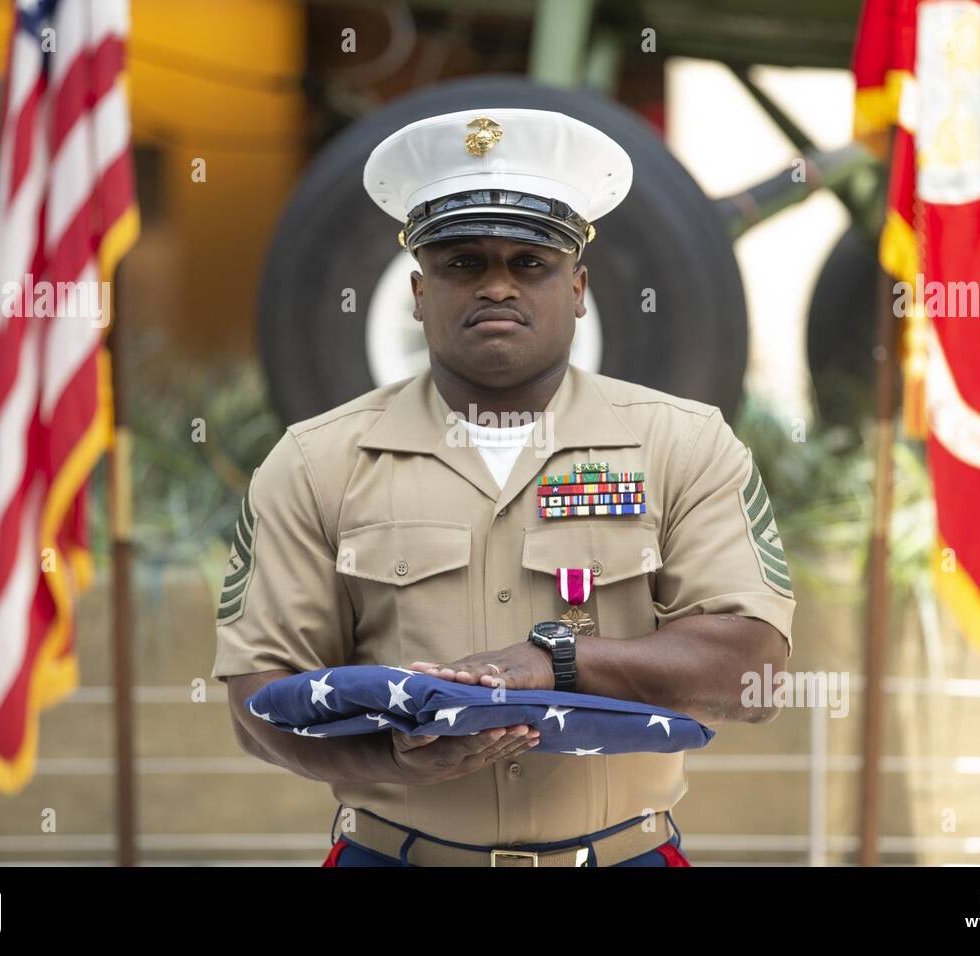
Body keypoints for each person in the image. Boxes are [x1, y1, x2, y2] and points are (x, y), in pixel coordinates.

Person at [212, 108, 795, 867]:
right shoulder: (315, 461)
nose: (496, 286)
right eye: (462, 263)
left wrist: (554, 662)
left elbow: (752, 673)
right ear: (418, 291)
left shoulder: (681, 444)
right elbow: (258, 700)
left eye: (529, 263)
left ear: (579, 288)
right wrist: (392, 760)